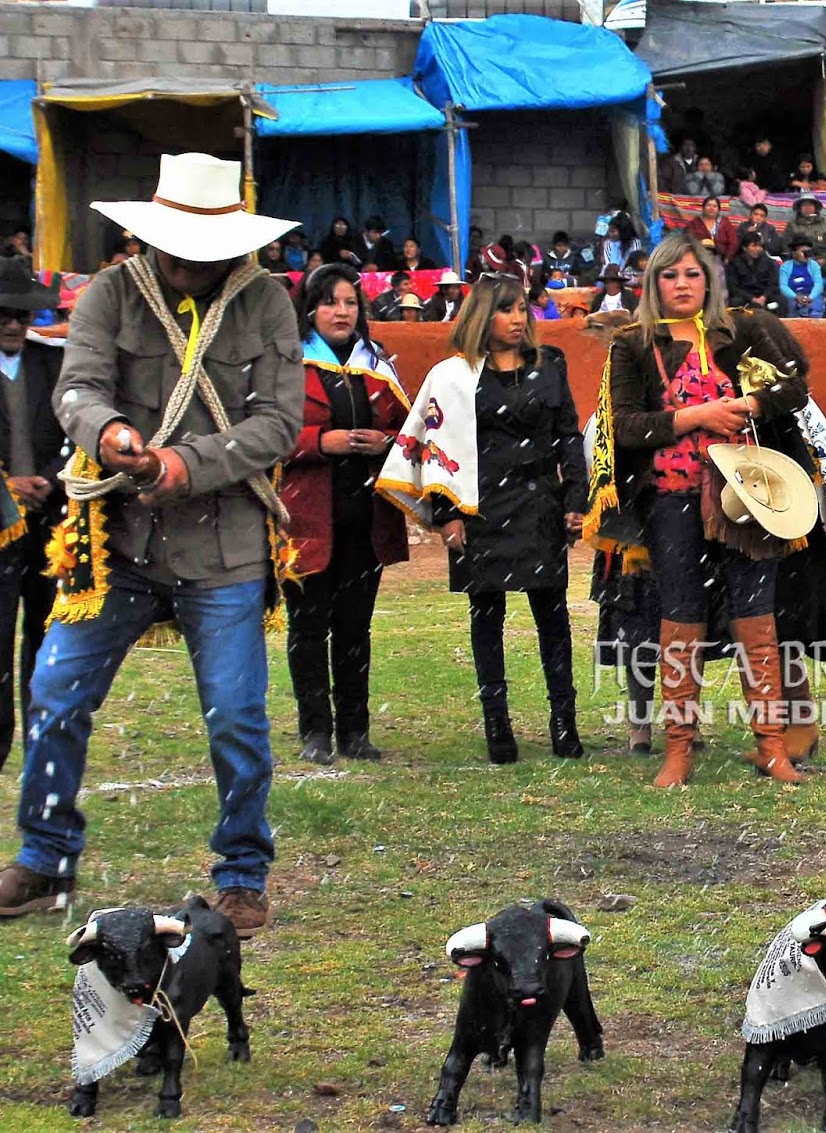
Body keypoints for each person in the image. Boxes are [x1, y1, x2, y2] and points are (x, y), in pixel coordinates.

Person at [0, 153, 303, 932]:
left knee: (236, 715)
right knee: (54, 691)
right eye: (176, 247)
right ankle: (44, 857)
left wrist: (185, 464)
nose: (186, 263)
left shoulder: (266, 301)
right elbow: (77, 387)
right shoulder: (112, 292)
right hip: (118, 543)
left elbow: (278, 423)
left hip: (225, 544)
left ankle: (242, 872)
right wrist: (107, 433)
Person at [586, 232, 826, 787]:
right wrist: (698, 416)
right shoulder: (633, 345)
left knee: (757, 618)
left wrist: (748, 403)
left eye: (692, 274)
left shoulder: (740, 330)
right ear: (653, 284)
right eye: (670, 275)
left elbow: (793, 388)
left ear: (708, 281)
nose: (682, 285)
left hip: (747, 494)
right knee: (681, 618)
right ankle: (678, 750)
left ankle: (772, 746)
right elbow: (624, 427)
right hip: (671, 497)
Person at [380, 273, 586, 764]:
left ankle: (564, 721)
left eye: (522, 309)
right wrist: (447, 515)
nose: (517, 319)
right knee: (486, 618)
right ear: (481, 316)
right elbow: (435, 446)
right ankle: (497, 723)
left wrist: (575, 499)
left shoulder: (550, 364)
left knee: (553, 617)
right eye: (505, 309)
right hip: (478, 509)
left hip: (541, 506)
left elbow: (568, 436)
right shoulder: (451, 377)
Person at [280, 264, 409, 765]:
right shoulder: (287, 363)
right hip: (305, 521)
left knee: (356, 628)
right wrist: (319, 442)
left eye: (350, 302)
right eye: (331, 302)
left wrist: (386, 441)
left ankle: (356, 731)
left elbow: (412, 433)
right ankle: (315, 730)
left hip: (363, 522)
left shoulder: (377, 366)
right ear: (311, 309)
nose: (342, 312)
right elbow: (265, 437)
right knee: (308, 627)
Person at [0, 262, 66, 772]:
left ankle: (41, 742)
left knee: (47, 642)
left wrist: (51, 476)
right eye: (2, 314)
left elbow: (77, 425)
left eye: (20, 315)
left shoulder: (54, 362)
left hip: (49, 521)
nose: (12, 324)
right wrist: (6, 485)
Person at [726, 231, 782, 312]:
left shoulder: (768, 262)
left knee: (780, 301)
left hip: (764, 297)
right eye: (754, 246)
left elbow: (773, 283)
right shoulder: (735, 263)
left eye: (760, 246)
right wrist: (752, 299)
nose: (758, 249)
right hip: (746, 298)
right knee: (736, 302)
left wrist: (764, 297)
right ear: (744, 248)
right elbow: (733, 287)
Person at [789, 195, 826, 269]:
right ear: (800, 208)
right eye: (804, 205)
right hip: (800, 261)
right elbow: (786, 246)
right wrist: (797, 256)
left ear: (815, 207)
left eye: (810, 205)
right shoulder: (792, 225)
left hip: (824, 260)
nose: (807, 207)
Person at [780, 236, 824, 318]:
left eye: (809, 252)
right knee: (790, 306)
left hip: (811, 295)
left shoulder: (814, 265)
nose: (807, 255)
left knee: (816, 307)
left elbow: (818, 284)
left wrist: (810, 297)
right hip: (793, 296)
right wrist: (795, 297)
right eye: (804, 252)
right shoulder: (785, 266)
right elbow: (783, 286)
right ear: (794, 253)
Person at [687, 196, 740, 263]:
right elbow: (688, 240)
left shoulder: (725, 222)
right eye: (709, 205)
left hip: (721, 258)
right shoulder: (695, 223)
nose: (711, 208)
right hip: (699, 257)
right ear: (703, 208)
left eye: (714, 206)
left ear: (718, 210)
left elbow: (733, 242)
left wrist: (727, 258)